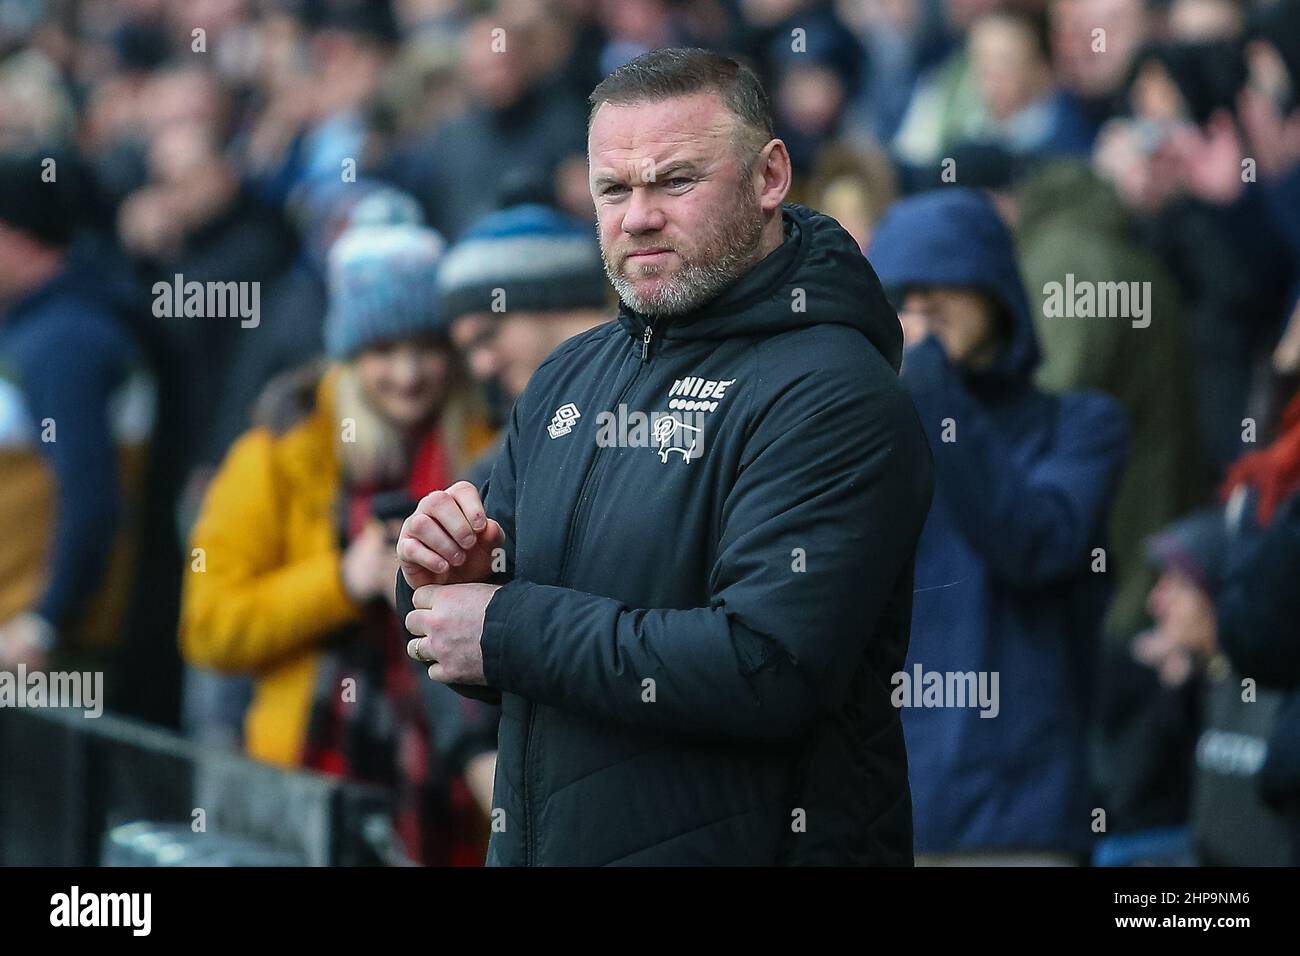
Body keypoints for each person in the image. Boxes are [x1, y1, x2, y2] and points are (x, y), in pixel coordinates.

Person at [396, 48, 934, 866]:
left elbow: (765, 668)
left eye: (675, 181)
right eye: (614, 189)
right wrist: (446, 572)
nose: (638, 216)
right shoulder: (570, 373)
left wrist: (505, 627)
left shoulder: (833, 393)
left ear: (770, 177)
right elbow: (497, 624)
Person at [180, 221, 495, 865]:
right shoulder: (276, 456)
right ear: (348, 357)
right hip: (306, 786)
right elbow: (208, 629)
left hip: (458, 794)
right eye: (382, 351)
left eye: (426, 348)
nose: (408, 375)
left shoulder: (489, 452)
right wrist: (342, 581)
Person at [868, 188, 1129, 864]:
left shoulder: (1080, 426)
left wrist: (931, 390)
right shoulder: (869, 433)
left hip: (1023, 814)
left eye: (942, 285)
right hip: (888, 812)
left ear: (996, 291)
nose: (921, 309)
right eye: (902, 293)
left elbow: (1036, 543)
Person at [0, 149, 155, 680]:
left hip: (43, 655)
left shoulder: (67, 341)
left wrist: (46, 621)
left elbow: (90, 493)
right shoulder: (34, 327)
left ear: (19, 236)